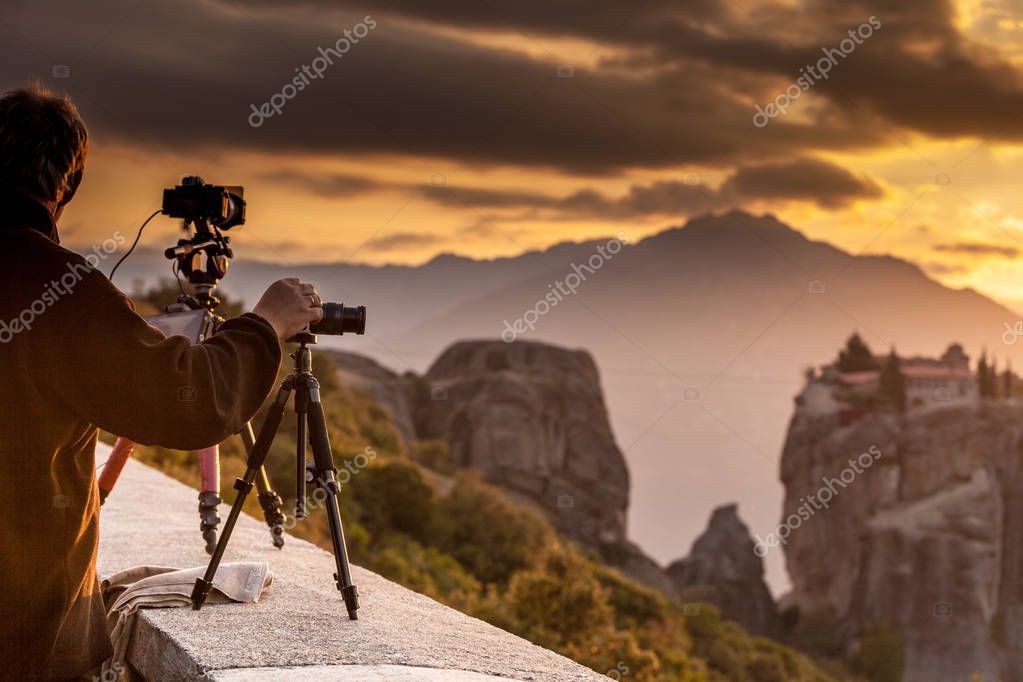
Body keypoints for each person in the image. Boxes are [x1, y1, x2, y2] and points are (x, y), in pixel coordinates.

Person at [0, 84, 324, 679]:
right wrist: (265, 324)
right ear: (66, 186)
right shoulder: (57, 293)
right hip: (22, 634)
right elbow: (188, 400)